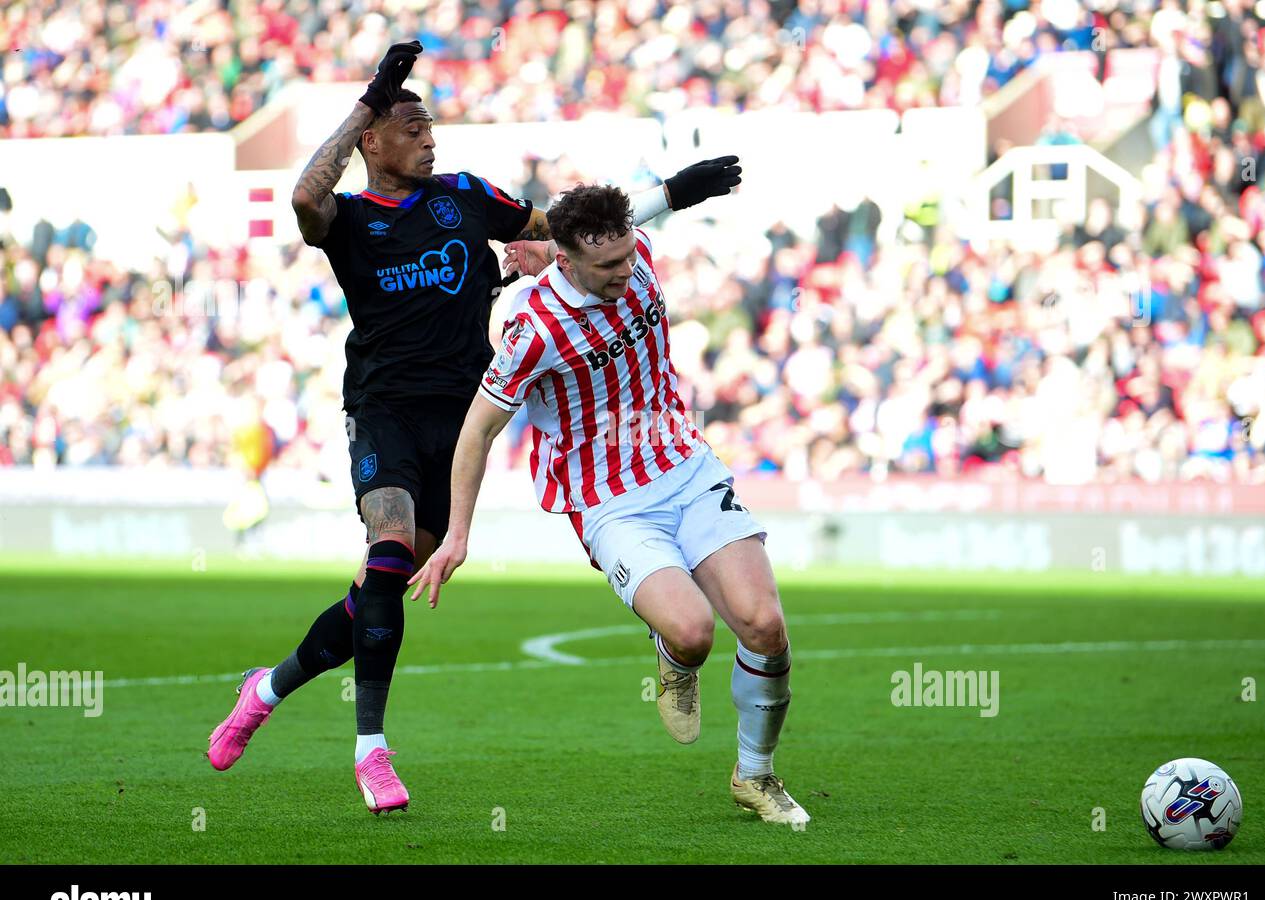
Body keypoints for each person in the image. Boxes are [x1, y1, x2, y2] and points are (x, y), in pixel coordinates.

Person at [206, 40, 735, 816]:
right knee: (386, 555)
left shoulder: (464, 196)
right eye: (411, 126)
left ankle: (269, 685)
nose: (429, 137)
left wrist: (670, 194)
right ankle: (372, 751)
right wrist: (370, 92)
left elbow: (572, 229)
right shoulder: (349, 219)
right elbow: (303, 199)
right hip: (383, 407)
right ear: (371, 143)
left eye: (431, 126)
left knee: (372, 597)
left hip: (460, 418)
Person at [408, 176, 811, 825]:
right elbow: (478, 429)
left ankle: (756, 774)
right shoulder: (533, 328)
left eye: (629, 254)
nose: (627, 269)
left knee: (765, 625)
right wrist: (457, 532)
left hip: (684, 465)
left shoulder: (636, 252)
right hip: (611, 501)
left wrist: (682, 189)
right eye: (609, 264)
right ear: (566, 259)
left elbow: (642, 213)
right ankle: (674, 656)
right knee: (692, 631)